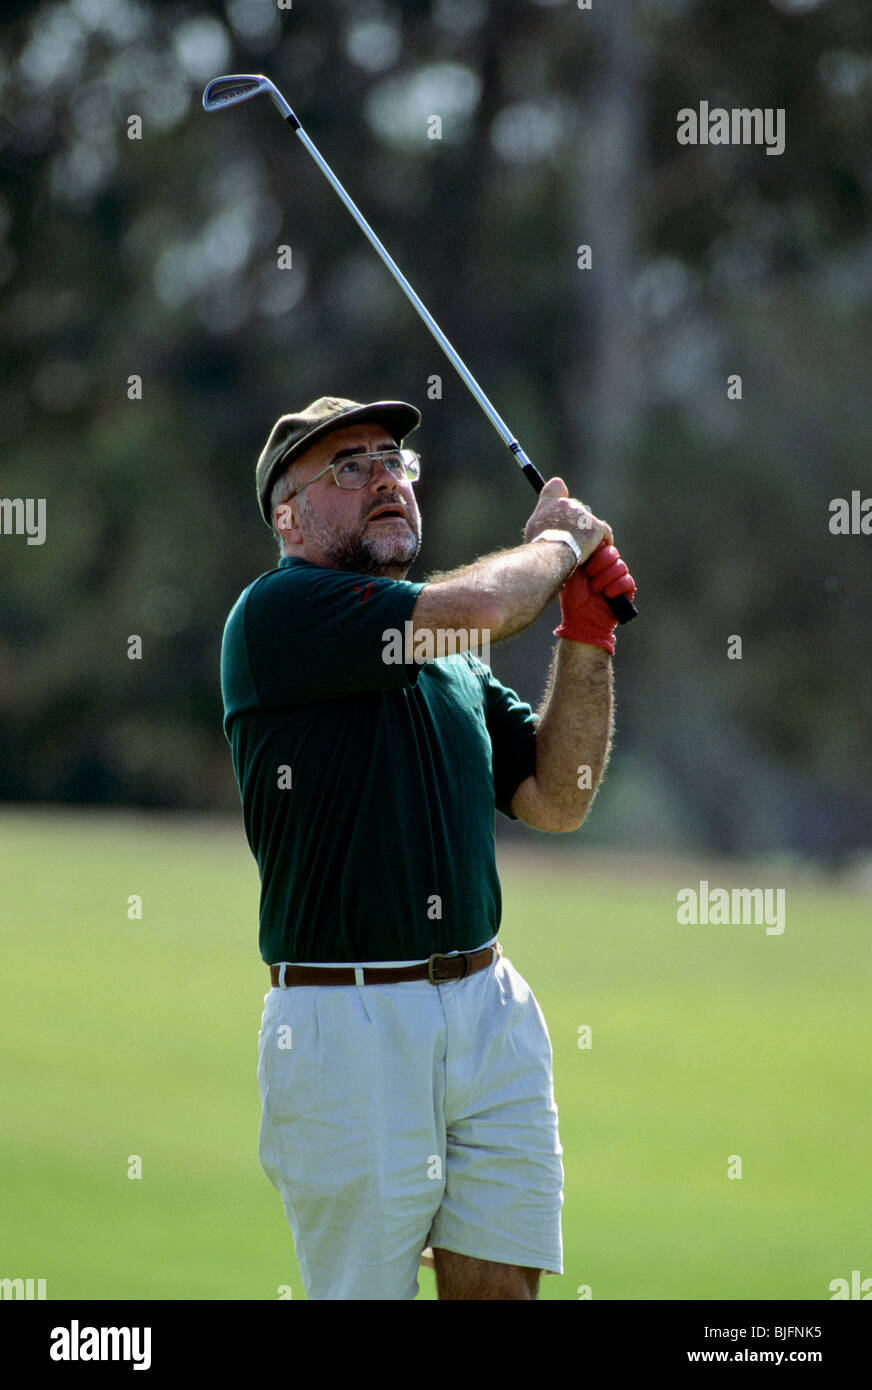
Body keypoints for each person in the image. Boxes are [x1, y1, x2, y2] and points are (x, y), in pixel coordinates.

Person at [220, 395, 635, 1301]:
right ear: (288, 515)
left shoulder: (450, 655)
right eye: (349, 467)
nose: (386, 480)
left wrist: (589, 629)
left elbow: (557, 800)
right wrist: (564, 543)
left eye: (394, 462)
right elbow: (483, 601)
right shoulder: (279, 613)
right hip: (347, 1027)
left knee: (502, 1297)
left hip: (488, 1009)